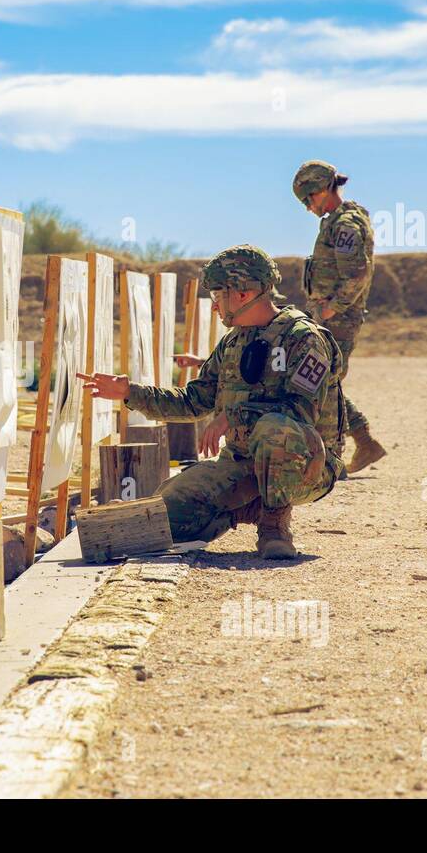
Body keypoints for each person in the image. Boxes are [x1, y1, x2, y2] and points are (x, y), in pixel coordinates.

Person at [78, 245, 345, 559]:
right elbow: (193, 402)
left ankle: (275, 524)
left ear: (243, 294)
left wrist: (235, 416)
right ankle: (245, 507)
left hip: (307, 465)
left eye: (218, 296)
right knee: (171, 510)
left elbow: (301, 410)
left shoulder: (304, 337)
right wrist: (129, 393)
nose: (216, 307)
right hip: (243, 463)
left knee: (275, 428)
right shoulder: (233, 342)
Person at [293, 159, 387, 473]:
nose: (308, 207)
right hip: (327, 318)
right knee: (320, 381)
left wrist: (332, 308)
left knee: (320, 383)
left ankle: (333, 458)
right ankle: (363, 443)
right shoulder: (334, 221)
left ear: (325, 189)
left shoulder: (346, 224)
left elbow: (357, 274)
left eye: (310, 198)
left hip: (337, 321)